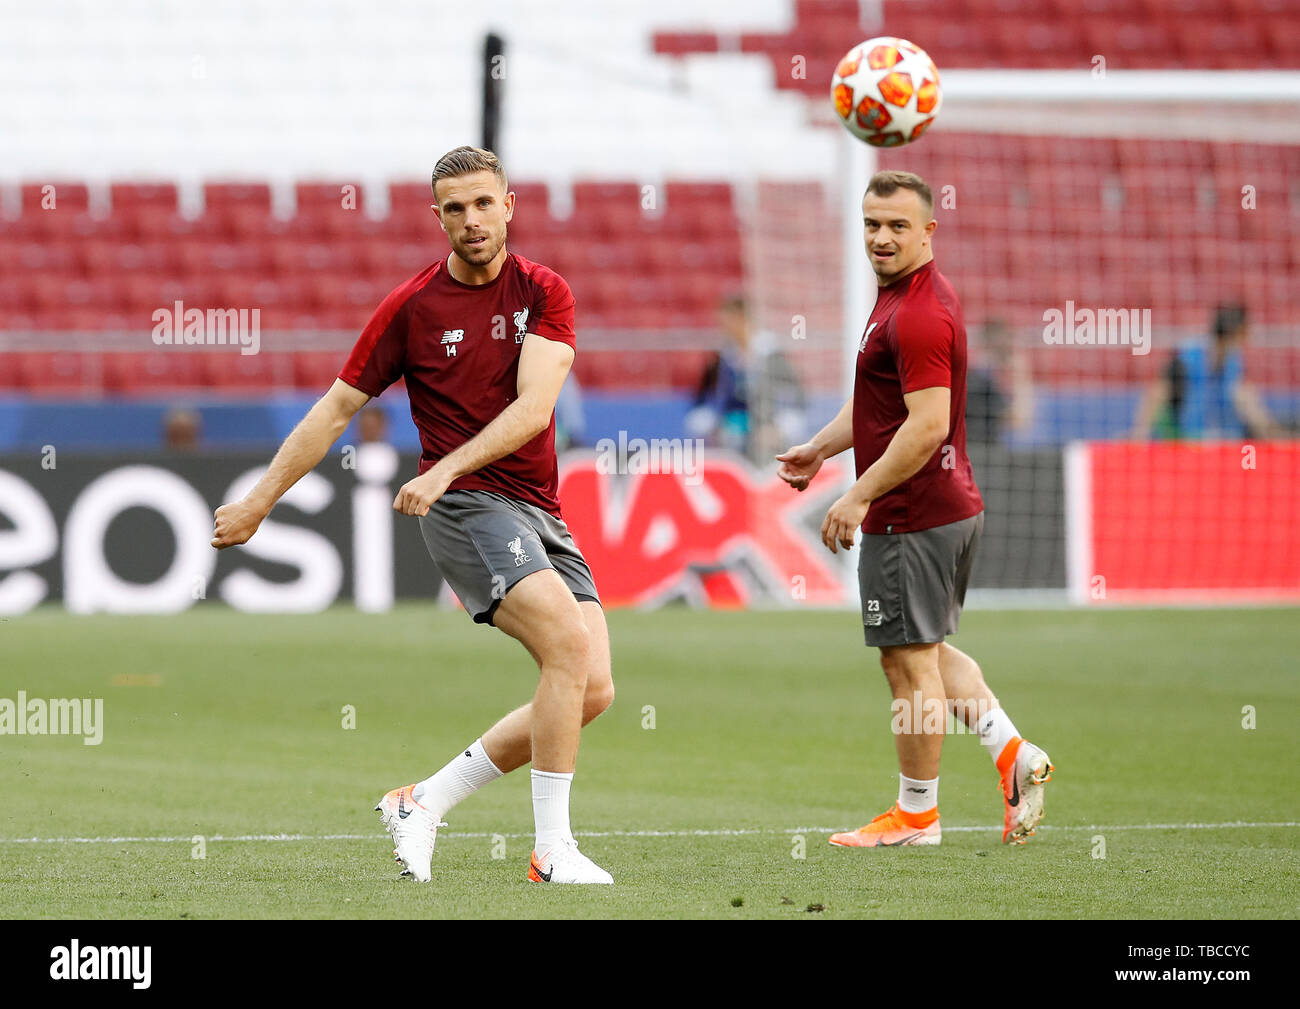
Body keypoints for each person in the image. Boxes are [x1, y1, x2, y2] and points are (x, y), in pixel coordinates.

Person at [211, 146, 615, 885]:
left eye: (484, 203)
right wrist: (258, 501)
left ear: (509, 206)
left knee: (592, 687)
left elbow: (535, 409)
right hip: (466, 508)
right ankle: (552, 849)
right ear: (438, 218)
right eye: (455, 209)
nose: (472, 220)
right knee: (566, 643)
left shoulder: (543, 291)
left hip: (534, 506)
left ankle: (423, 800)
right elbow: (336, 409)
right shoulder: (412, 307)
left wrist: (443, 466)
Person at [776, 171, 1053, 848]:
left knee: (907, 665)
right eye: (872, 224)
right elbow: (880, 405)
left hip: (913, 513)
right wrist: (820, 448)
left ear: (928, 231)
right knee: (923, 649)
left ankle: (917, 816)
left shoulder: (919, 312)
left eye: (898, 225)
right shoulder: (904, 298)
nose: (882, 237)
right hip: (941, 507)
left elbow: (926, 425)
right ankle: (1012, 752)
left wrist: (858, 493)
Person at [1132, 303, 1283, 440]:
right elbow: (1157, 392)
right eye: (1245, 333)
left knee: (1245, 397)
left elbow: (1248, 401)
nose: (1248, 339)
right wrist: (1139, 435)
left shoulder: (1234, 363)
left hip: (1219, 439)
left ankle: (1276, 440)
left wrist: (1272, 435)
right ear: (1236, 332)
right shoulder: (1188, 357)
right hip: (1183, 439)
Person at [687, 294, 806, 464]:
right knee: (712, 430)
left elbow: (793, 397)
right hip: (735, 422)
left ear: (742, 319)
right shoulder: (724, 356)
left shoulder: (771, 355)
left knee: (768, 440)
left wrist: (777, 428)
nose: (725, 329)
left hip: (768, 422)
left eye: (728, 323)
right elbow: (707, 397)